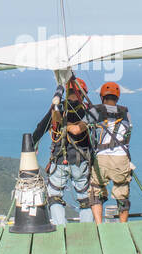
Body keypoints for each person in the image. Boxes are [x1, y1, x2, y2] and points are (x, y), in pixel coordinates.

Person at [30, 76, 94, 225]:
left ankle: (61, 228)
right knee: (85, 198)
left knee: (55, 196)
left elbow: (42, 127)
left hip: (59, 160)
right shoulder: (88, 110)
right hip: (81, 160)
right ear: (83, 92)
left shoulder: (57, 109)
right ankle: (86, 230)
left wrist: (31, 144)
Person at [88, 81, 134, 223]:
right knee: (122, 191)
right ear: (117, 97)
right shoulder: (126, 113)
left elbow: (84, 127)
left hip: (101, 158)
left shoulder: (95, 111)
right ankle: (123, 226)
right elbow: (128, 136)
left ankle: (99, 225)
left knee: (96, 190)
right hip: (121, 157)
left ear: (102, 96)